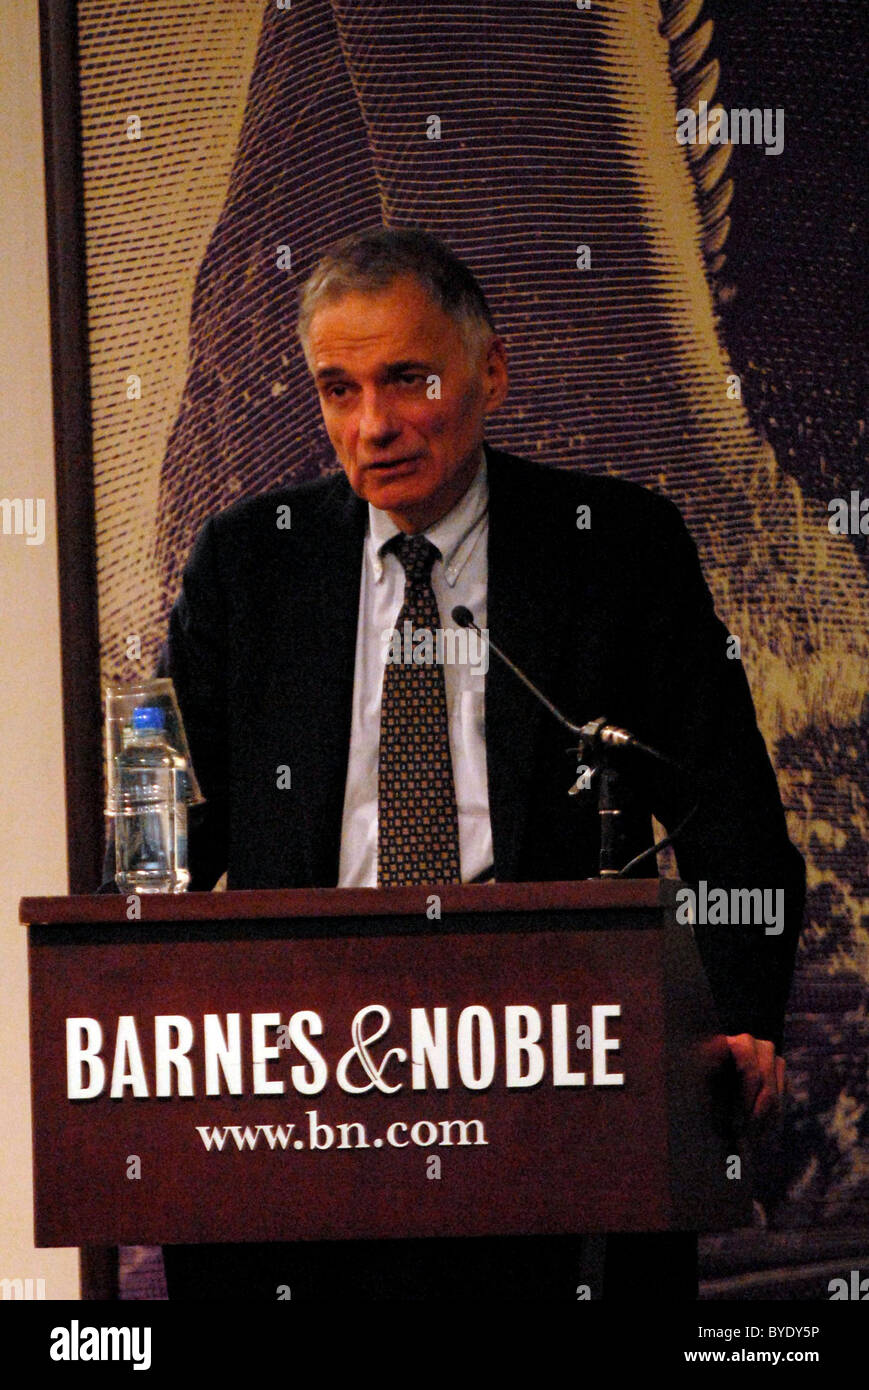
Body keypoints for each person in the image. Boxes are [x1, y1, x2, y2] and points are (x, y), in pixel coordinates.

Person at [148, 227, 804, 1299]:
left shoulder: (614, 546)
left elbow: (725, 816)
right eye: (338, 388)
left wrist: (737, 1020)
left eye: (409, 379)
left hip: (558, 1064)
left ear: (488, 370)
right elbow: (179, 840)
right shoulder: (249, 561)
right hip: (304, 1078)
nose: (373, 427)